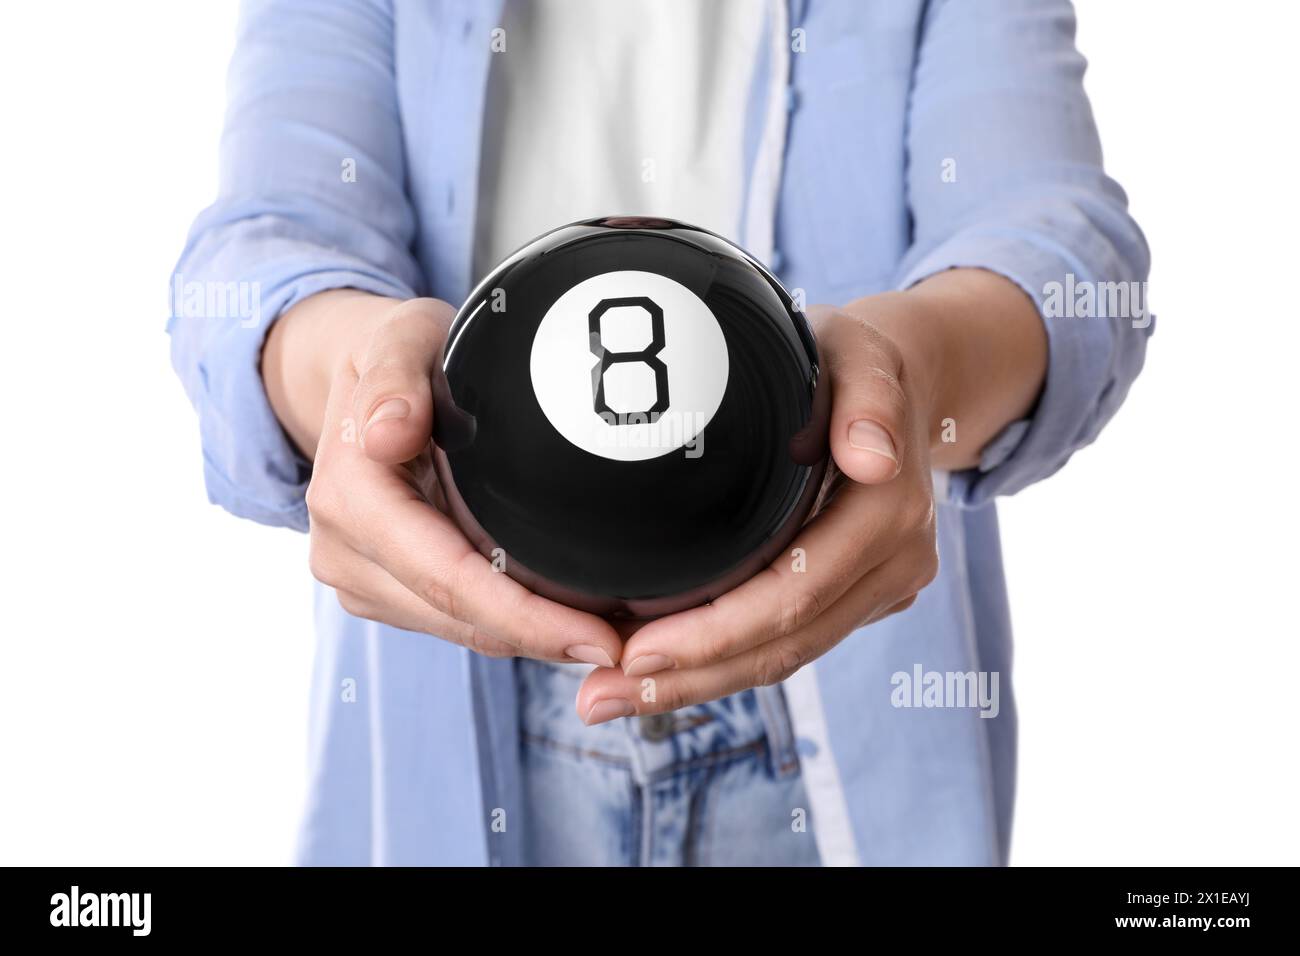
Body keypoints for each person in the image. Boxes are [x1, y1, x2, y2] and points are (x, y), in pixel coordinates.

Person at [169, 0, 1150, 866]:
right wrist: (357, 377)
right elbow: (267, 242)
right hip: (465, 710)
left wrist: (914, 367)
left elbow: (1057, 246)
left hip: (846, 697)